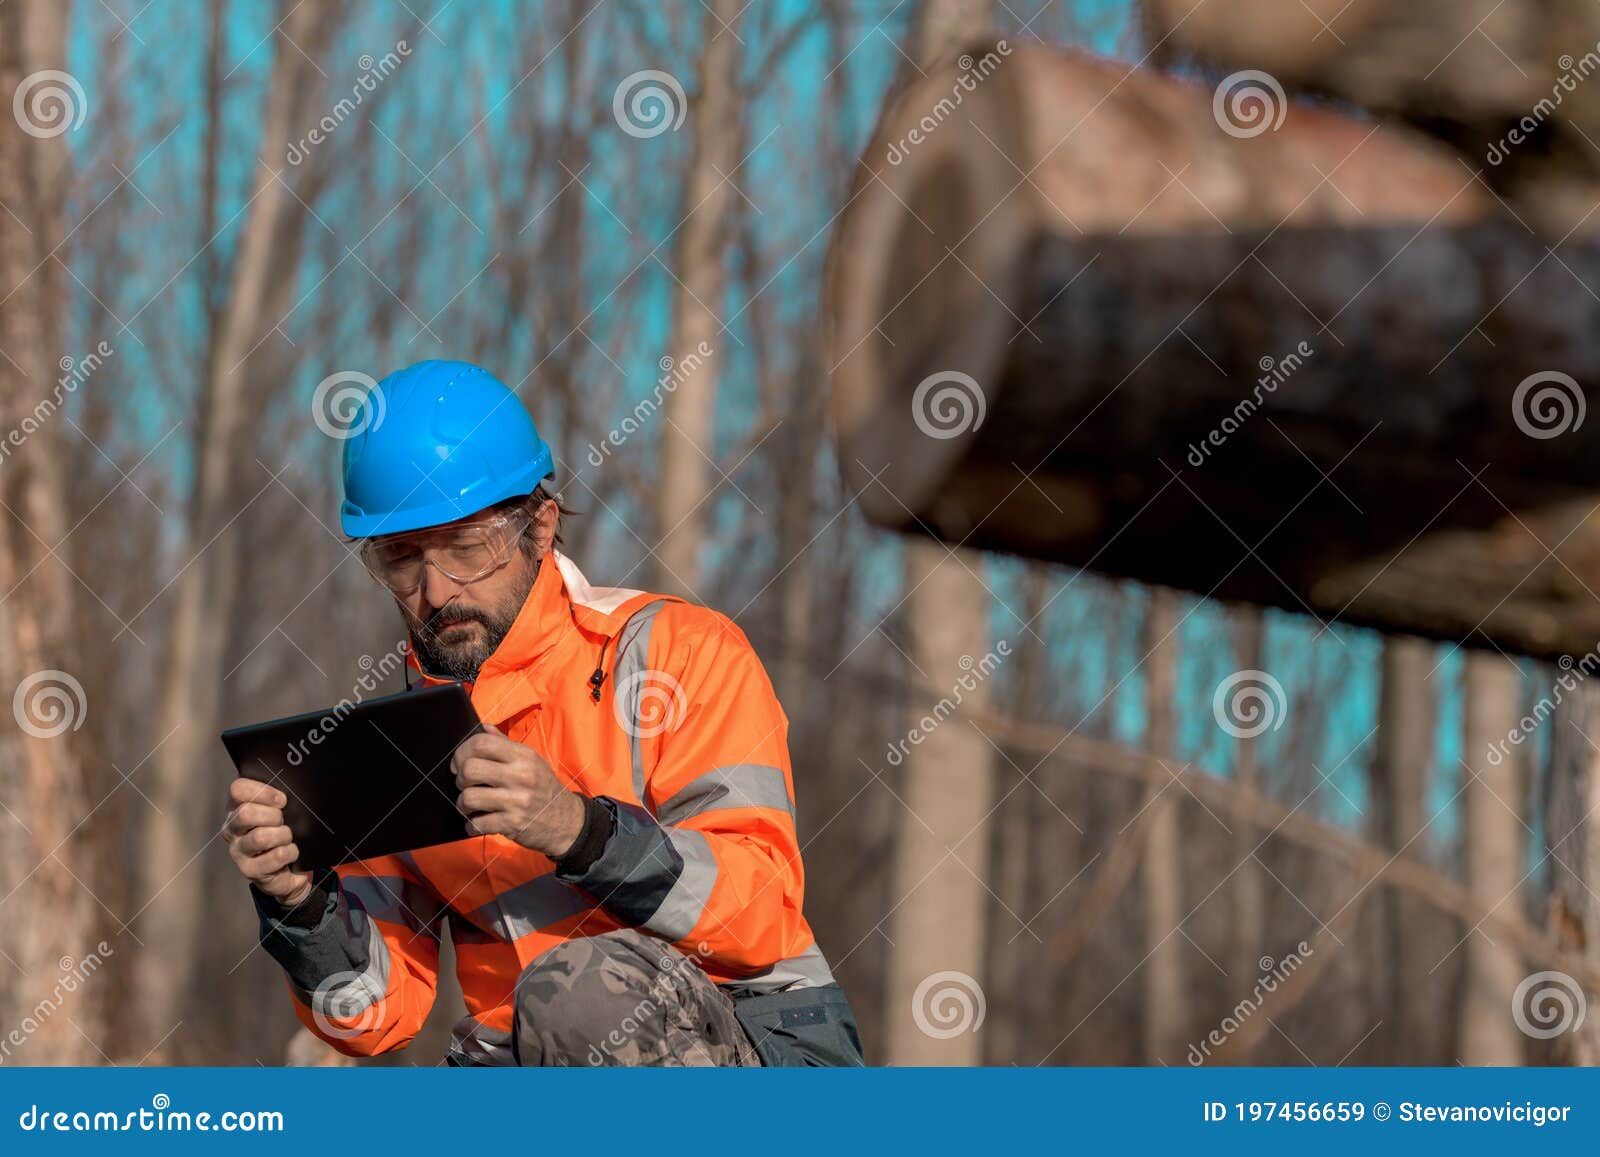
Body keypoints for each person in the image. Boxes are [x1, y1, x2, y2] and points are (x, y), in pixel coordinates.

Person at [222, 359, 863, 1066]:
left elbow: (761, 912)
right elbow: (377, 1015)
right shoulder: (398, 743)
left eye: (467, 546)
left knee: (578, 993)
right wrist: (298, 905)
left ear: (540, 525)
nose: (436, 590)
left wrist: (581, 830)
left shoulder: (676, 653)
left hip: (759, 1040)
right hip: (526, 1063)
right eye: (401, 559)